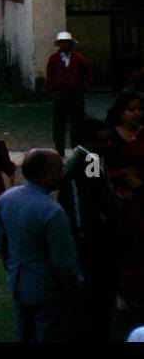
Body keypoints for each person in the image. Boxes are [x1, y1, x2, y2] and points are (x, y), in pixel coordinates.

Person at [0, 149, 82, 342]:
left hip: (18, 281)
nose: (63, 173)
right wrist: (72, 285)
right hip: (47, 289)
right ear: (43, 175)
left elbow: (0, 246)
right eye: (59, 170)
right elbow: (63, 262)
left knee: (22, 333)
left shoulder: (6, 198)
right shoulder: (53, 212)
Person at [59, 119, 124, 341]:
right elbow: (80, 208)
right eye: (102, 140)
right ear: (87, 141)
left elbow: (99, 195)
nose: (108, 144)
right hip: (92, 246)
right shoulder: (79, 164)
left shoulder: (92, 159)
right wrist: (90, 238)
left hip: (101, 242)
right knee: (92, 299)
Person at [104, 91, 144, 310]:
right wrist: (121, 178)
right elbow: (94, 171)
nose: (136, 114)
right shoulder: (108, 137)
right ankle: (122, 289)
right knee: (125, 244)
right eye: (131, 110)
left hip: (141, 197)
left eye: (139, 109)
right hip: (119, 200)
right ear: (121, 113)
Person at [45, 31, 92, 156]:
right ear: (59, 44)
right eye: (62, 42)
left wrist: (83, 87)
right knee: (59, 123)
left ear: (71, 44)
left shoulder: (79, 58)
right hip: (60, 94)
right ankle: (60, 150)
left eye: (67, 42)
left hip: (76, 94)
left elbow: (87, 73)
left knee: (77, 123)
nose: (65, 45)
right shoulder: (53, 59)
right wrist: (52, 89)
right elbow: (50, 75)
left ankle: (76, 149)